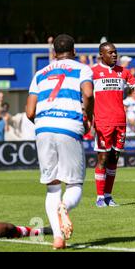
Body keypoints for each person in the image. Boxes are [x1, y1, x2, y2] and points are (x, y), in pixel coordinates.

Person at [26, 34, 94, 250]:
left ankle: (58, 238)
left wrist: (44, 121)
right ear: (74, 51)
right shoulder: (82, 68)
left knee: (52, 187)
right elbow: (89, 94)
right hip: (69, 125)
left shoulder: (39, 73)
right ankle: (65, 207)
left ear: (54, 53)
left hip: (43, 128)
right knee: (74, 184)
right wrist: (88, 116)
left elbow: (29, 111)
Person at [91, 42, 135, 208]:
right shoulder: (92, 72)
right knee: (103, 158)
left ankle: (108, 196)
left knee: (114, 158)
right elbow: (84, 94)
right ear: (101, 54)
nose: (114, 55)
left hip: (120, 120)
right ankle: (99, 197)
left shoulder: (124, 72)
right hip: (102, 121)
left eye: (115, 52)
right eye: (110, 52)